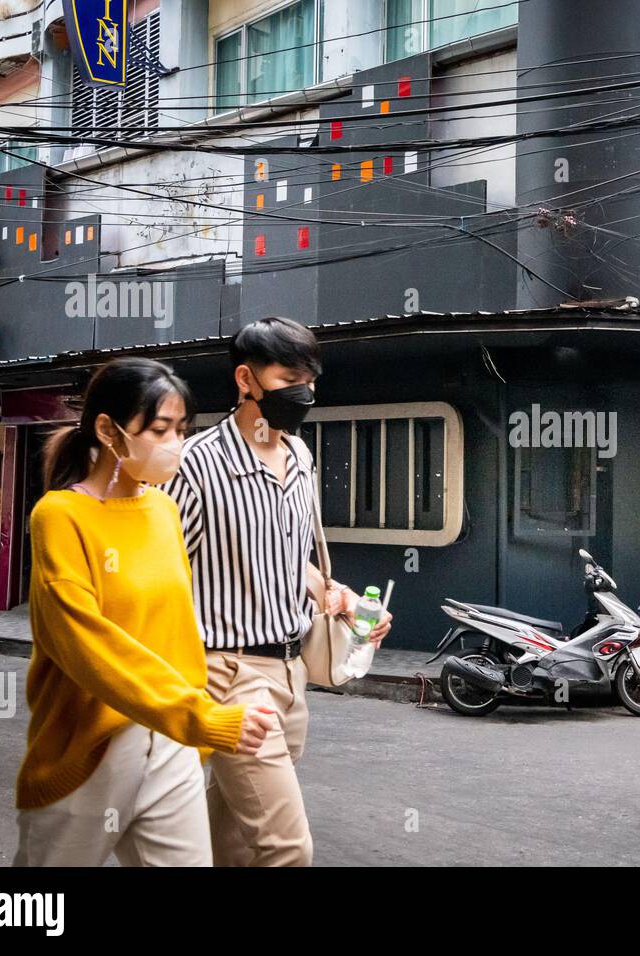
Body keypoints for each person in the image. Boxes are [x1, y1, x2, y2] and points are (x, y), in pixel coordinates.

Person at [14, 358, 275, 867]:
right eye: (159, 429)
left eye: (182, 429)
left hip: (172, 743)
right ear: (108, 430)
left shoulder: (164, 510)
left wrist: (191, 722)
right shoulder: (60, 516)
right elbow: (86, 645)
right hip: (91, 747)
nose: (175, 443)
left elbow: (178, 629)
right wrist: (200, 716)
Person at [165, 316, 392, 867]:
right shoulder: (196, 463)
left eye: (309, 380)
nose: (303, 393)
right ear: (246, 379)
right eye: (288, 378)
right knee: (287, 848)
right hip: (229, 674)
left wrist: (345, 603)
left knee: (233, 840)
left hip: (294, 675)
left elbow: (295, 564)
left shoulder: (301, 458)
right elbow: (161, 568)